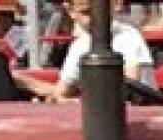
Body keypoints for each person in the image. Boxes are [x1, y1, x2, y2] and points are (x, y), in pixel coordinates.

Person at [19, 0, 155, 95]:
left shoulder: (127, 35)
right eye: (86, 12)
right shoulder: (79, 46)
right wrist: (20, 81)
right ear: (70, 11)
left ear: (114, 6)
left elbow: (129, 86)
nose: (95, 17)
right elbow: (61, 91)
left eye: (101, 10)